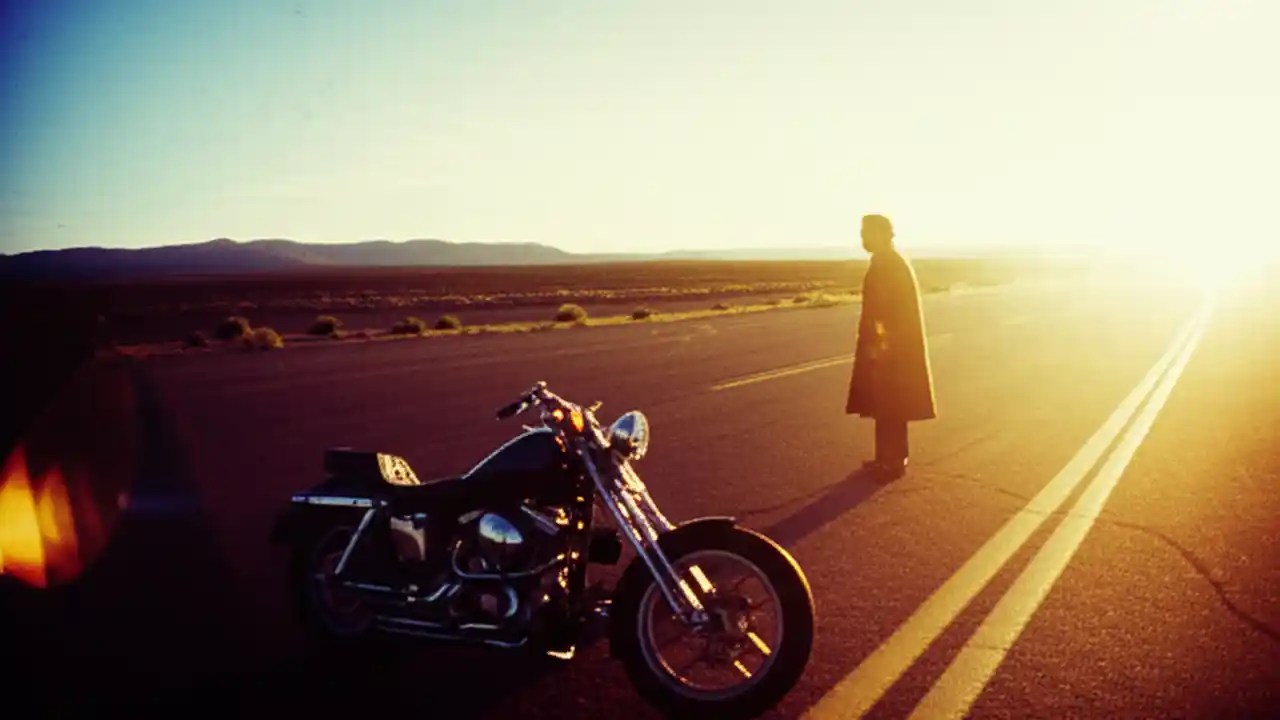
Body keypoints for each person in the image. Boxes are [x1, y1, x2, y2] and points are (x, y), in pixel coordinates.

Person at [846, 214, 936, 478]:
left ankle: (893, 462)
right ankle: (885, 458)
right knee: (884, 404)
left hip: (892, 348)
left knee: (892, 404)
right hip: (888, 345)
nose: (862, 238)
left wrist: (882, 345)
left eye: (866, 232)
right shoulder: (885, 261)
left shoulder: (889, 264)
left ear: (882, 233)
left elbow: (891, 310)